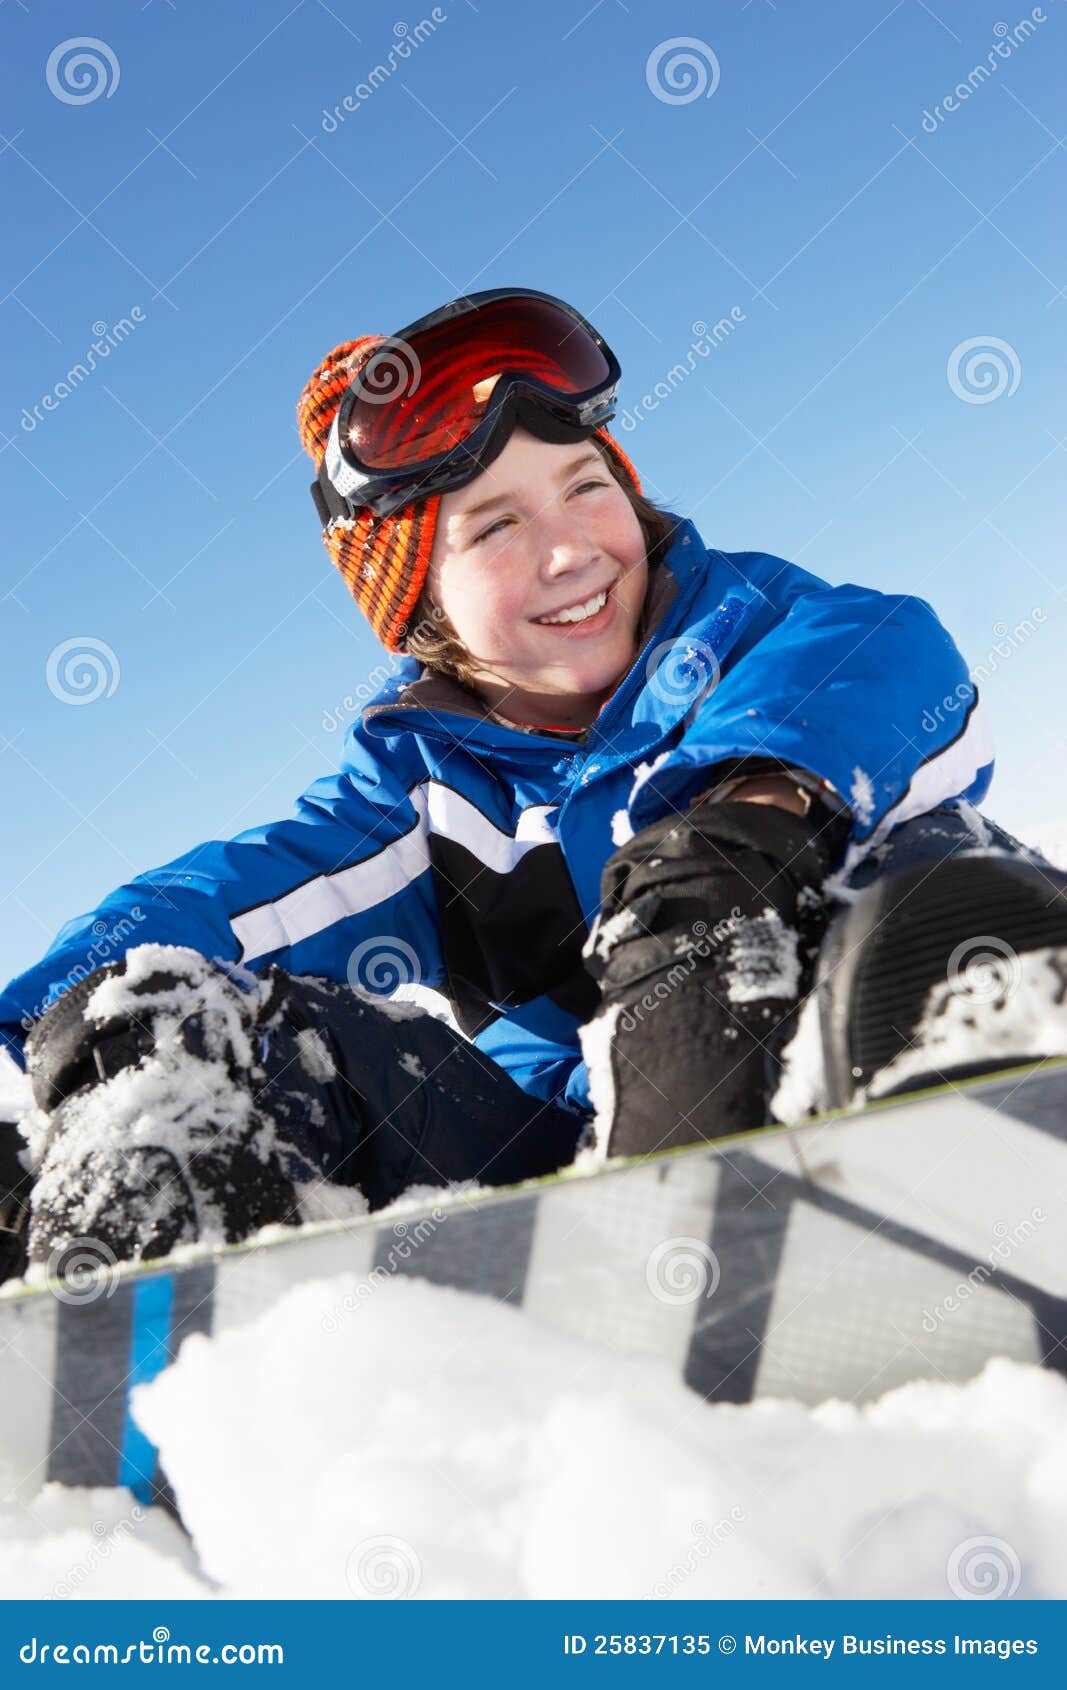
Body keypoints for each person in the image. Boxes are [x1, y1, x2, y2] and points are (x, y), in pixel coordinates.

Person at [2, 287, 1064, 1279]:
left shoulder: (769, 632)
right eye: (496, 526)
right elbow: (218, 899)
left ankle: (976, 1148)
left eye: (585, 486)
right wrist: (37, 1038)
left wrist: (746, 817)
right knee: (167, 1021)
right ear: (422, 608)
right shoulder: (421, 798)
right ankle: (119, 1362)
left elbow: (879, 658)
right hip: (560, 1187)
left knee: (919, 898)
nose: (566, 551)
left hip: (818, 1085)